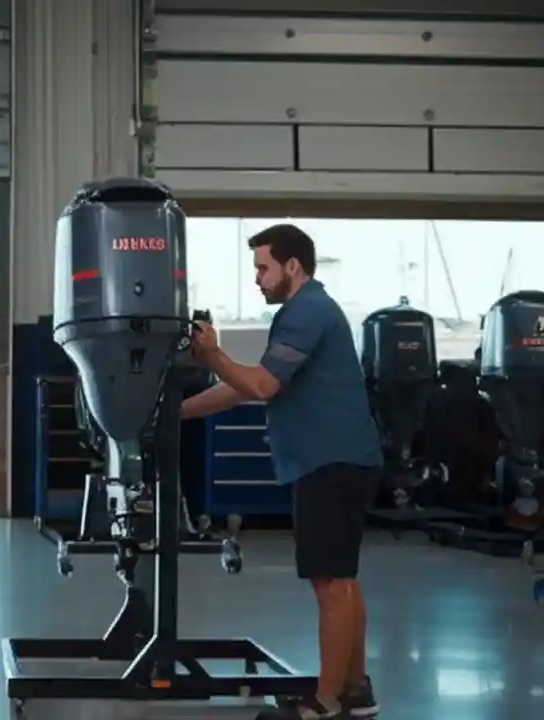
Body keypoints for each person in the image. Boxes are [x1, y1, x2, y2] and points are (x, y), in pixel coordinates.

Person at [182, 223, 382, 720]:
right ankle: (355, 691)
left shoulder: (306, 310)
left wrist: (211, 355)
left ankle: (324, 703)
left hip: (328, 464)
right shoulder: (305, 313)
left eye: (263, 268)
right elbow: (245, 385)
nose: (258, 279)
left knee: (330, 584)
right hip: (339, 461)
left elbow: (262, 386)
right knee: (342, 580)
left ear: (293, 266)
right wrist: (178, 412)